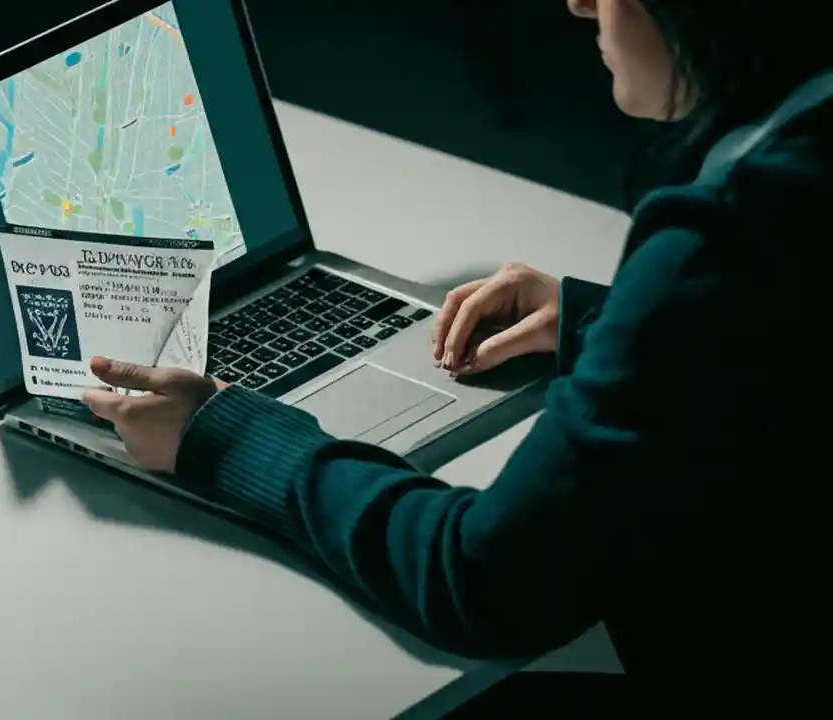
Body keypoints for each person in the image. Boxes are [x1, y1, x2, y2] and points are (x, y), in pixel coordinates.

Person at [83, 0, 827, 714]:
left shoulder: (726, 238)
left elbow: (484, 584)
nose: (576, 4)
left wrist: (227, 433)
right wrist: (607, 320)